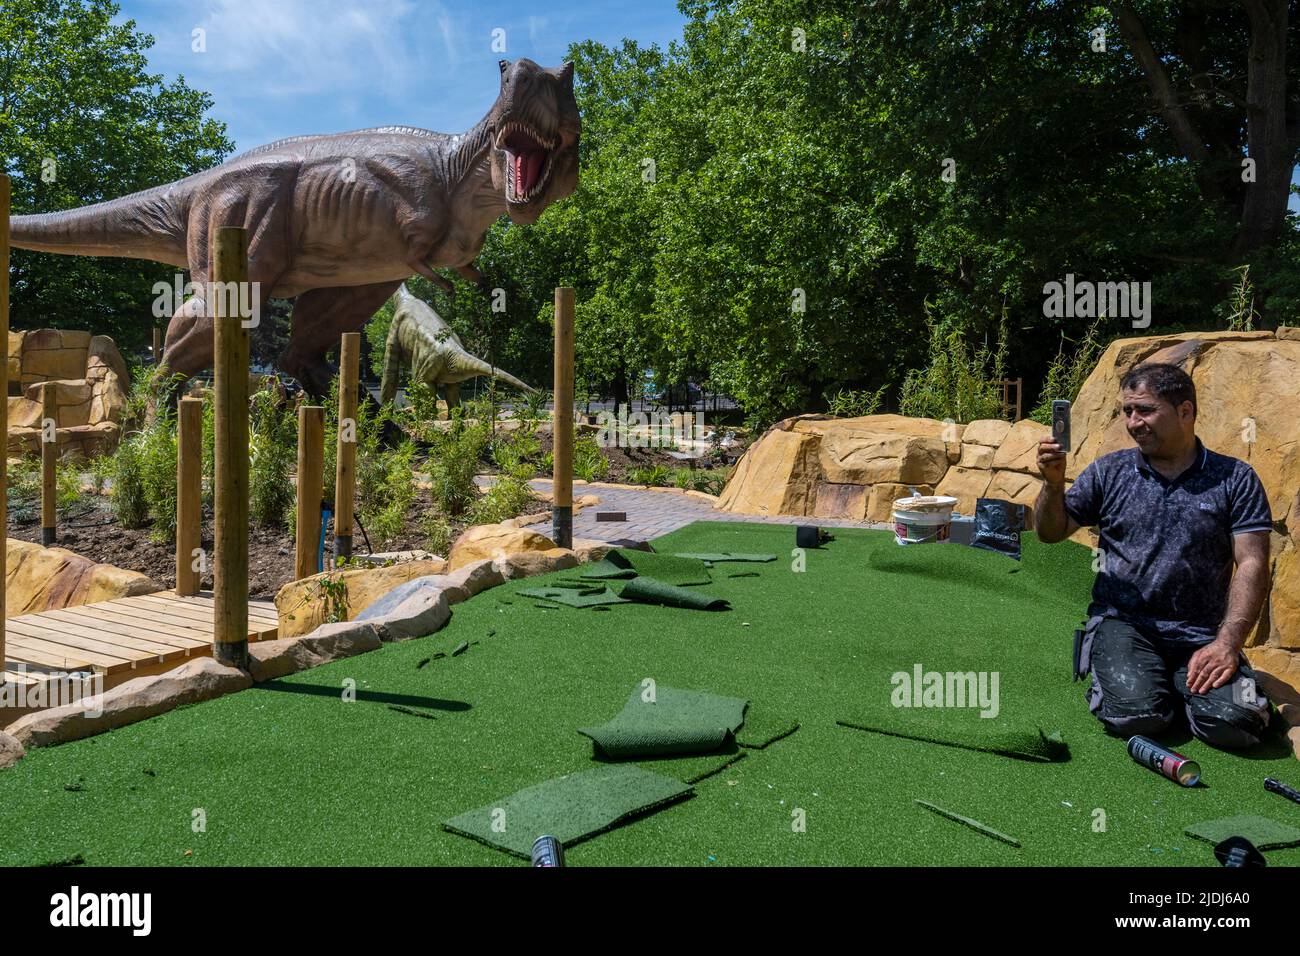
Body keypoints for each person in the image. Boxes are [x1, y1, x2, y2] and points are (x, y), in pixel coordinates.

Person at [1035, 363, 1273, 749]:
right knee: (1138, 717)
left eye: (1145, 410)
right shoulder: (1109, 472)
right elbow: (1049, 532)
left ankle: (1196, 688)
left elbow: (1252, 562)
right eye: (1128, 411)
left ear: (1185, 411)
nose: (1133, 422)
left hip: (1201, 633)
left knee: (1236, 724)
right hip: (1124, 623)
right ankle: (1142, 680)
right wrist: (1052, 484)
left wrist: (1227, 644)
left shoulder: (1235, 479)